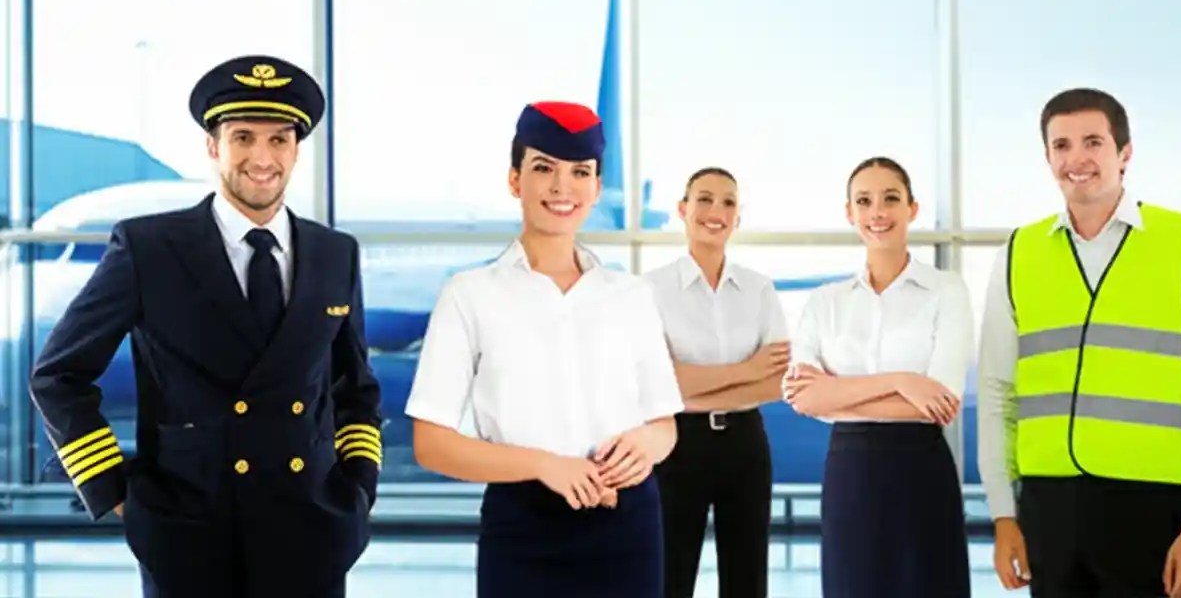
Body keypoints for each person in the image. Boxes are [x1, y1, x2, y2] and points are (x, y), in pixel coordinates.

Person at [27, 56, 382, 597]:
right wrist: (116, 492)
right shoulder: (149, 247)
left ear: (296, 150)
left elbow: (353, 388)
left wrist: (358, 489)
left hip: (311, 534)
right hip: (189, 536)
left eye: (279, 140)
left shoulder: (336, 254)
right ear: (213, 146)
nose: (261, 158)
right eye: (243, 137)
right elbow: (58, 375)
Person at [404, 101, 686, 598]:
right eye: (543, 168)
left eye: (580, 172)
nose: (562, 187)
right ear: (515, 180)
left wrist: (646, 447)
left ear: (597, 188)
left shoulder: (631, 295)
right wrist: (545, 465)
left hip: (628, 524)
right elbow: (431, 443)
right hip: (522, 528)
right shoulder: (470, 294)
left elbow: (664, 424)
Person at [978, 87, 1181, 598]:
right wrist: (1003, 515)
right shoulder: (1019, 250)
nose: (1076, 159)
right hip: (1048, 507)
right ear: (1048, 157)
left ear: (1124, 153)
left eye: (1093, 142)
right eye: (1061, 146)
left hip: (1151, 505)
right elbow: (995, 394)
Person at [784, 156, 973, 598]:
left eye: (891, 198)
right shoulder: (826, 302)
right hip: (849, 473)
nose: (878, 212)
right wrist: (903, 380)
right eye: (864, 201)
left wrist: (837, 394)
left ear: (912, 208)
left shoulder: (947, 291)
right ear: (849, 213)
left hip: (921, 470)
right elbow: (804, 399)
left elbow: (941, 403)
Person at [643, 167, 789, 598]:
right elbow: (655, 382)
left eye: (728, 202)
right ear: (682, 209)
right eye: (704, 199)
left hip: (745, 446)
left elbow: (778, 381)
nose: (715, 211)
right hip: (675, 446)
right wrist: (745, 370)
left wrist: (691, 384)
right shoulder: (650, 290)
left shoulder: (759, 289)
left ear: (737, 217)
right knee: (669, 575)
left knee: (747, 580)